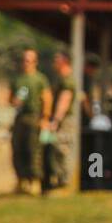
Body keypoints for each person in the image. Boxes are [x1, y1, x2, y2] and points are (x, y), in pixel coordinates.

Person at [8, 49, 51, 196]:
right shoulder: (18, 79)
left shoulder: (40, 79)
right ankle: (22, 181)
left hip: (34, 118)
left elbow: (46, 98)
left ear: (35, 62)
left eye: (29, 60)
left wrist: (45, 118)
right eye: (24, 60)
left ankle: (35, 181)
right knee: (18, 149)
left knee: (34, 150)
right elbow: (11, 99)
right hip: (20, 118)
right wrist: (15, 101)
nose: (26, 63)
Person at [43, 51, 78, 194]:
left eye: (57, 59)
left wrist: (56, 120)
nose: (54, 62)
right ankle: (58, 180)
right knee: (53, 148)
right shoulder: (60, 78)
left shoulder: (67, 80)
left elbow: (64, 101)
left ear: (64, 61)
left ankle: (65, 182)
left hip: (64, 121)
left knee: (62, 148)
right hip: (59, 120)